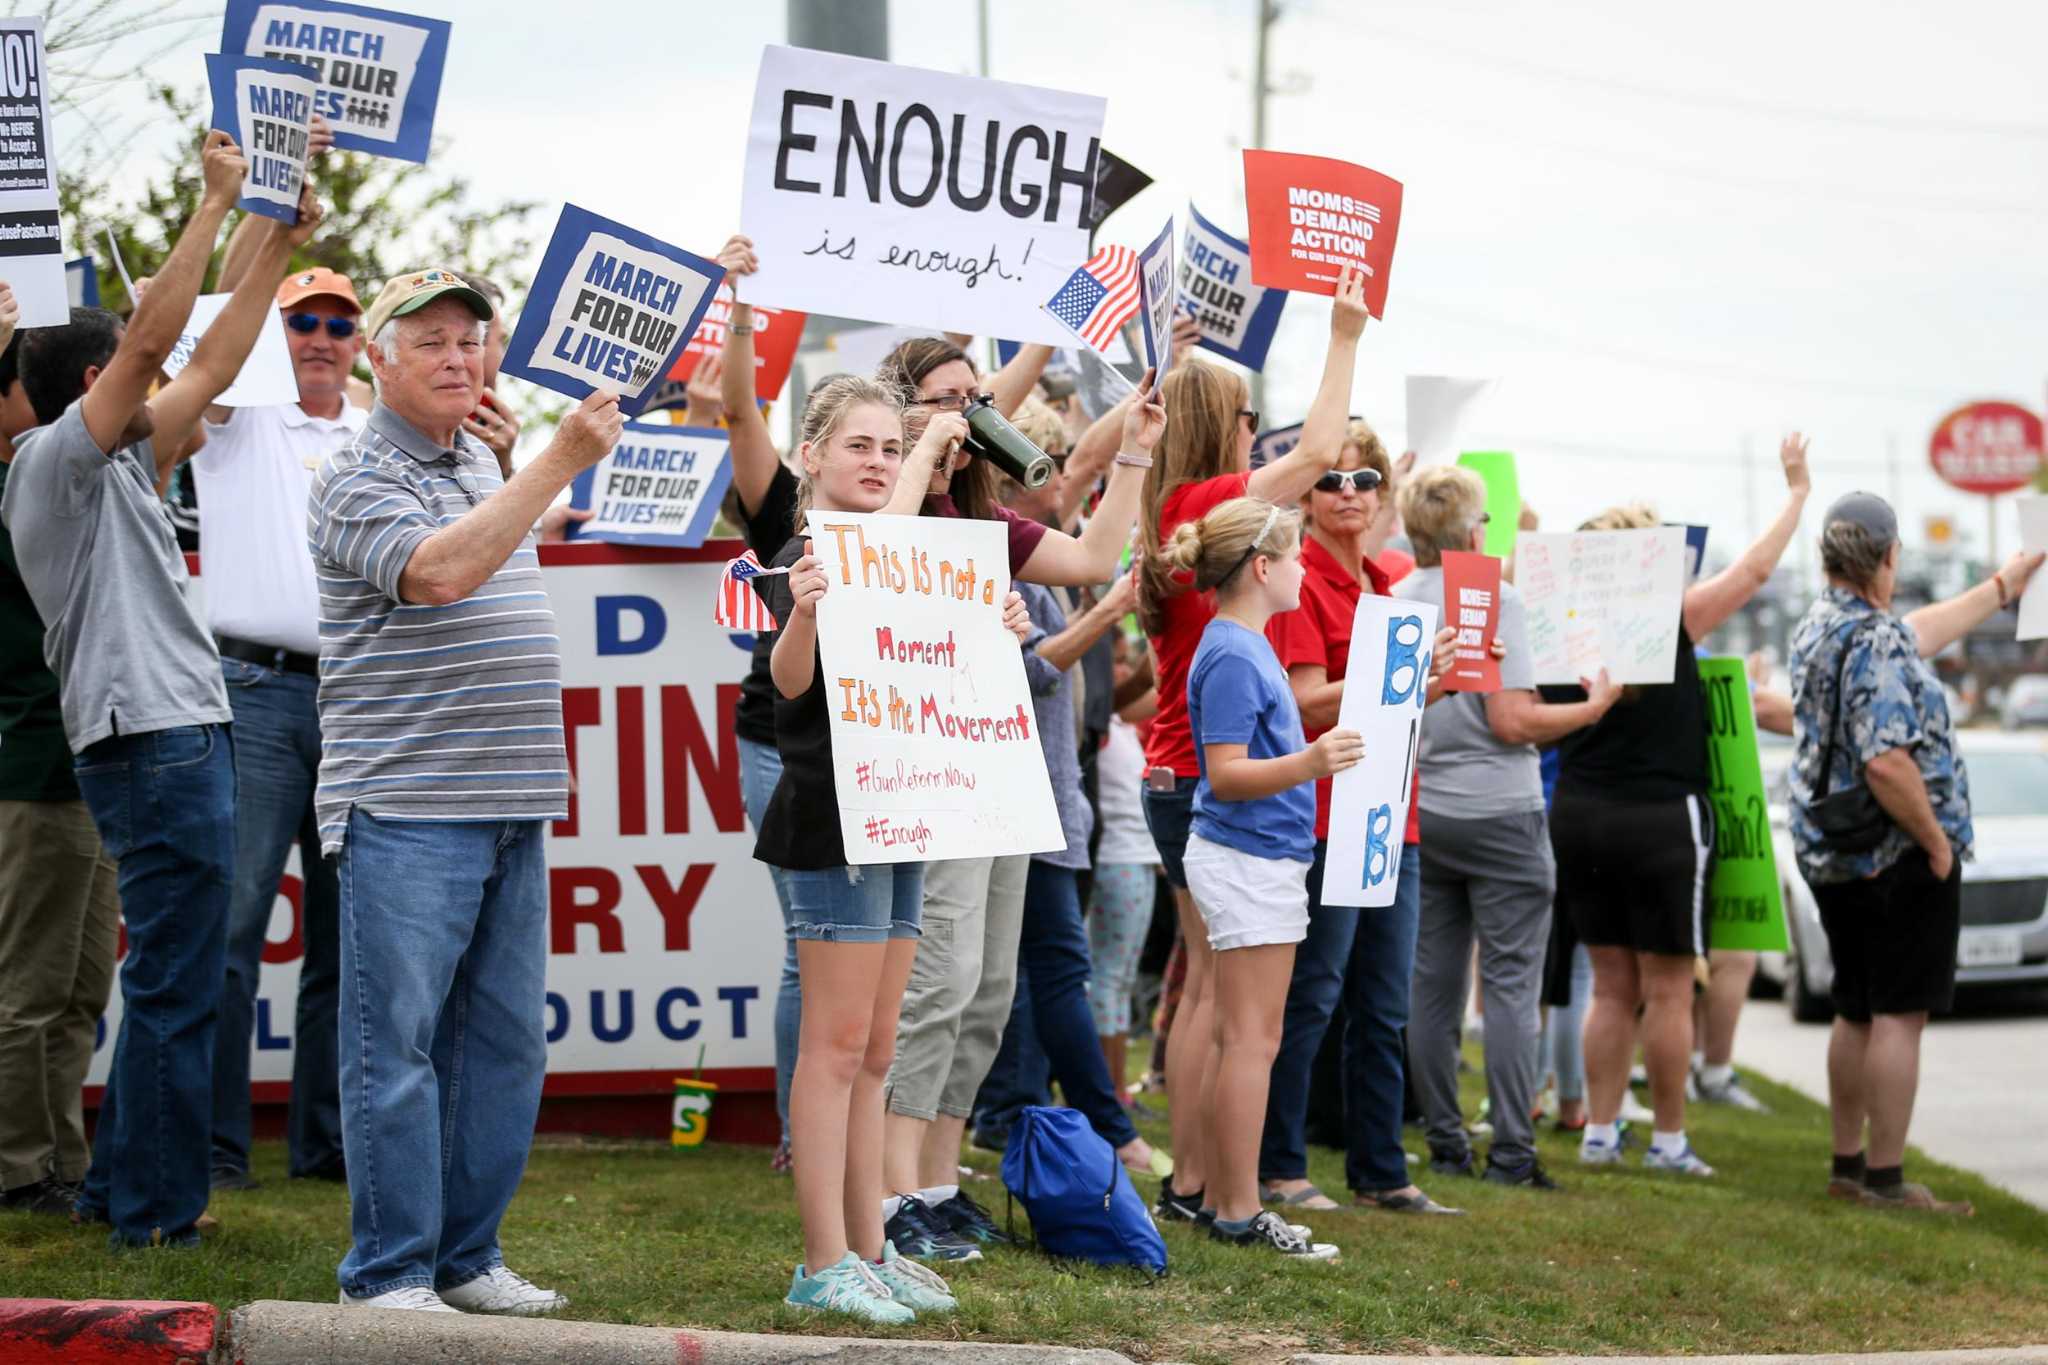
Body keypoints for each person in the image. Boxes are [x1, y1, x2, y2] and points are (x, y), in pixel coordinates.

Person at [1, 135, 315, 1248]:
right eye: (138, 368)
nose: (163, 374)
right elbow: (156, 339)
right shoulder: (51, 464)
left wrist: (274, 238)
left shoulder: (125, 459)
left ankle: (114, 1190)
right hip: (155, 741)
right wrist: (214, 201)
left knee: (171, 980)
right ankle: (155, 1212)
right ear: (98, 386)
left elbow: (216, 360)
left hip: (176, 736)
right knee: (181, 987)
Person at [308, 268, 625, 1312]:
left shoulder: (471, 467)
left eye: (469, 339)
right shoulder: (356, 476)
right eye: (430, 339)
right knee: (392, 1046)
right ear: (378, 360)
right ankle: (390, 1269)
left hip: (509, 796)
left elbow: (494, 547)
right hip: (406, 801)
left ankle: (466, 1259)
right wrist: (550, 460)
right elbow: (439, 575)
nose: (456, 356)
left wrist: (517, 466)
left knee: (500, 1044)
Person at [752, 374, 1029, 1322]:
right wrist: (803, 609)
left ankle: (869, 1246)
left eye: (888, 447)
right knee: (832, 1049)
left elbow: (950, 675)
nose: (874, 463)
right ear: (813, 455)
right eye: (858, 446)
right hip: (831, 823)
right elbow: (787, 685)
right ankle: (820, 1260)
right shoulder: (804, 554)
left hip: (907, 816)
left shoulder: (914, 555)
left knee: (876, 1048)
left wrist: (998, 631)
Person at [874, 335, 1152, 1255]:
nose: (968, 411)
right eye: (947, 397)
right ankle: (890, 1195)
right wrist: (920, 451)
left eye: (975, 396)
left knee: (989, 990)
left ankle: (940, 1182)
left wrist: (1136, 453)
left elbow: (1093, 558)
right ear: (904, 408)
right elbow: (878, 559)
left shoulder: (984, 522)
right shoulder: (887, 497)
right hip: (929, 770)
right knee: (939, 982)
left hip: (1001, 769)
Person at [1139, 264, 1370, 1224]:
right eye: (1243, 420)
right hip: (1205, 776)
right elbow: (1323, 446)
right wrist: (1346, 334)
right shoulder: (1212, 506)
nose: (1253, 437)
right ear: (1221, 432)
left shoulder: (1172, 503)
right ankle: (1212, 1188)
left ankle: (1195, 1181)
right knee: (1225, 1013)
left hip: (1178, 765)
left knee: (1203, 996)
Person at [1544, 434, 1811, 1177]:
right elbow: (1756, 570)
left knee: (1607, 984)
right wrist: (1795, 492)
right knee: (1666, 988)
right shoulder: (1671, 620)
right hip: (1663, 819)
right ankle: (1667, 1139)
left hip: (1580, 814)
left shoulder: (1559, 631)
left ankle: (1599, 1132)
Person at [1787, 491, 2041, 1212]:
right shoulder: (1879, 639)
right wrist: (1935, 843)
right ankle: (1889, 1179)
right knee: (1900, 1014)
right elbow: (1887, 762)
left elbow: (1915, 631)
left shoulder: (1820, 626)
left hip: (1833, 853)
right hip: (1893, 856)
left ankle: (1846, 1163)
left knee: (1856, 1007)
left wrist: (2000, 587)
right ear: (1890, 556)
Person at [1395, 464, 1621, 1191]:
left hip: (1426, 808)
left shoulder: (1394, 596)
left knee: (1432, 987)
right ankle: (1514, 1154)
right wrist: (1591, 708)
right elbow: (1512, 719)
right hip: (1501, 811)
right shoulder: (1497, 598)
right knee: (1511, 987)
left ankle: (1446, 1140)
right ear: (1469, 532)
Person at [196, 240, 365, 1192]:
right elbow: (214, 352)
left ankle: (326, 1146)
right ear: (274, 331)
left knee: (345, 940)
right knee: (231, 926)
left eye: (340, 324)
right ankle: (217, 1145)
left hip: (352, 696)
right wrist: (270, 226)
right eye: (303, 320)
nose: (322, 338)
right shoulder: (238, 414)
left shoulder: (375, 431)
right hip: (255, 691)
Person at [1257, 420, 1457, 1215]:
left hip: (1392, 810)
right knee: (1314, 994)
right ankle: (1280, 1164)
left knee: (1385, 1001)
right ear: (1304, 496)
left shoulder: (1386, 583)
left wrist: (1433, 677)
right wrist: (1395, 669)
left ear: (1383, 493)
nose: (1349, 493)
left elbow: (1393, 707)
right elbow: (1304, 703)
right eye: (1332, 481)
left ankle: (1381, 1168)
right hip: (1330, 814)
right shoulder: (1300, 580)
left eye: (1364, 480)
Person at [1169, 495, 1355, 1259]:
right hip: (1248, 858)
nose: (1306, 566)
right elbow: (1228, 773)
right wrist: (1311, 761)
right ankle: (1240, 1209)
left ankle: (1222, 1197)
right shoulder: (1237, 652)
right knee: (1252, 1038)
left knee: (1240, 1035)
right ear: (1263, 566)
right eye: (1297, 554)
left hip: (1255, 858)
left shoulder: (1241, 644)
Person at [971, 560, 1166, 1173]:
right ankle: (1098, 1124)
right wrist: (1110, 610)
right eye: (1043, 463)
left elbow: (1106, 698)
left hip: (1052, 799)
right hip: (1023, 801)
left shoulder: (1042, 565)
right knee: (1055, 969)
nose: (1052, 470)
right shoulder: (1005, 560)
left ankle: (1009, 1116)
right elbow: (1031, 670)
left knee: (1029, 974)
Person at [0, 290, 120, 1220]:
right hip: (30, 768)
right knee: (29, 987)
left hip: (89, 757)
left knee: (82, 986)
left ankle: (63, 1164)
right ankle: (16, 1166)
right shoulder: (24, 475)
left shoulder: (72, 467)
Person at [709, 236, 809, 1173]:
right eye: (853, 441)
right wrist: (739, 304)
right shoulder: (784, 508)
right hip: (777, 746)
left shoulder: (903, 511)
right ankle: (798, 1133)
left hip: (868, 748)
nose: (875, 457)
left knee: (866, 940)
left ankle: (858, 1130)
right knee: (805, 942)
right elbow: (738, 406)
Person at [1088, 652, 1165, 1114]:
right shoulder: (1104, 721)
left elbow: (1156, 692)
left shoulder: (1116, 723)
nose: (1118, 669)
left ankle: (1113, 1092)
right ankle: (1111, 1093)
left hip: (1133, 860)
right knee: (1110, 980)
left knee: (1117, 980)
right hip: (1119, 860)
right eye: (1111, 661)